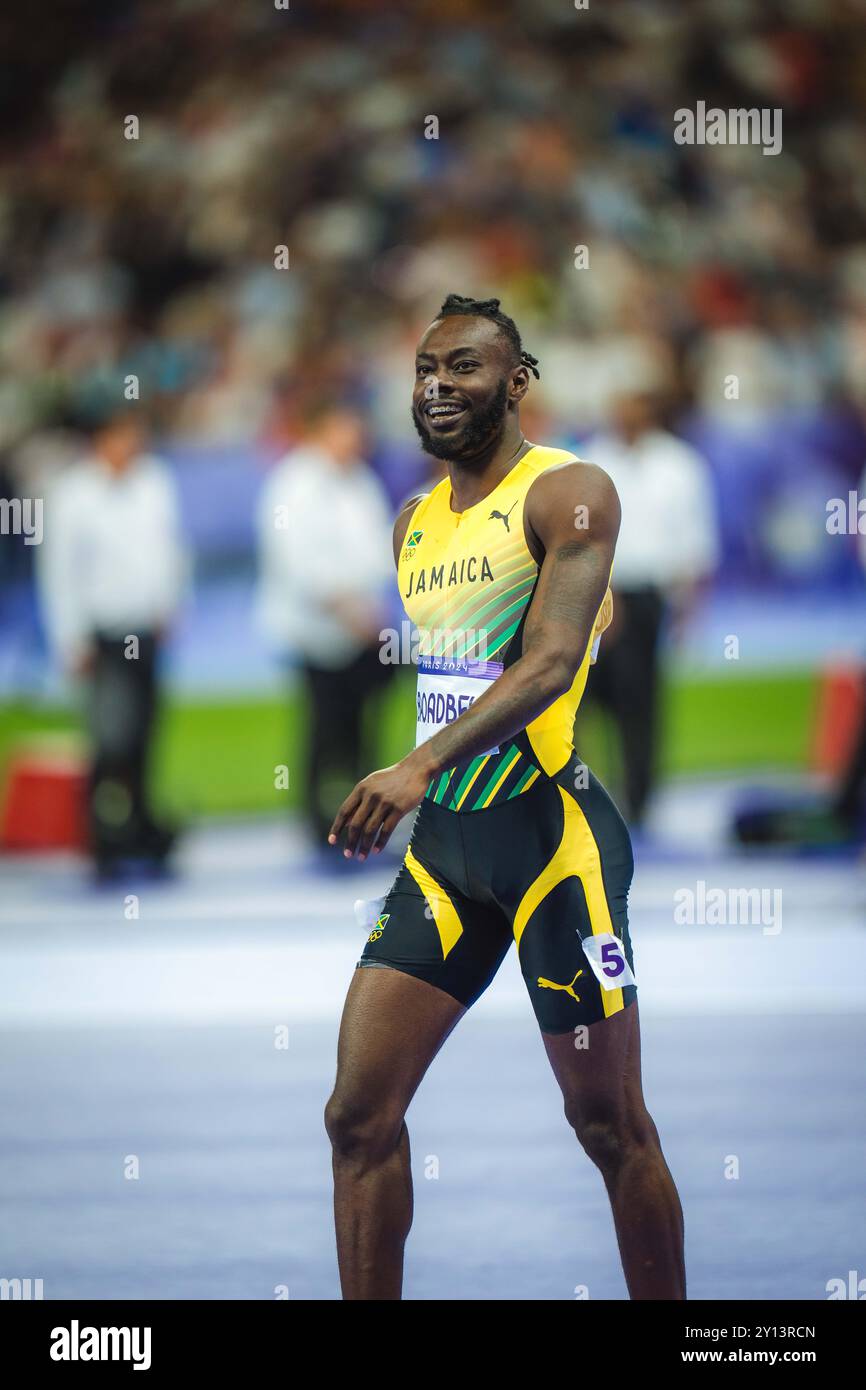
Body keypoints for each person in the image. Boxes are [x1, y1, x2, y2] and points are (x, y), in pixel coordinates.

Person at [325, 295, 685, 1300]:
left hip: (551, 846)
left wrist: (416, 765)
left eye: (464, 368)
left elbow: (548, 661)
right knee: (357, 1117)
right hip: (445, 857)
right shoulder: (410, 520)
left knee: (608, 1124)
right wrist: (428, 784)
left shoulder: (568, 493)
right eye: (424, 370)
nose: (438, 385)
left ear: (515, 381)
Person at [37, 406, 186, 875]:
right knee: (110, 738)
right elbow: (60, 572)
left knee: (144, 732)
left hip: (146, 631)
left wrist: (171, 603)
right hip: (103, 635)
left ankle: (141, 827)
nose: (130, 444)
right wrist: (70, 638)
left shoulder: (154, 482)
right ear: (99, 440)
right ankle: (103, 834)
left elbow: (171, 548)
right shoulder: (74, 494)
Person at [256, 400, 394, 847]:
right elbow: (296, 562)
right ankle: (320, 824)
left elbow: (378, 552)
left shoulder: (360, 481)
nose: (356, 440)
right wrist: (346, 608)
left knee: (362, 727)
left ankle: (364, 817)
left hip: (364, 628)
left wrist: (373, 609)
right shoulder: (294, 484)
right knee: (324, 726)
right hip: (317, 628)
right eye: (345, 430)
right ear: (321, 431)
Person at [586, 368, 718, 825]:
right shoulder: (591, 460)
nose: (626, 415)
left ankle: (640, 801)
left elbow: (695, 540)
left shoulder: (680, 465)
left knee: (640, 700)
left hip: (647, 595)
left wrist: (688, 605)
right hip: (597, 591)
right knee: (580, 698)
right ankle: (578, 798)